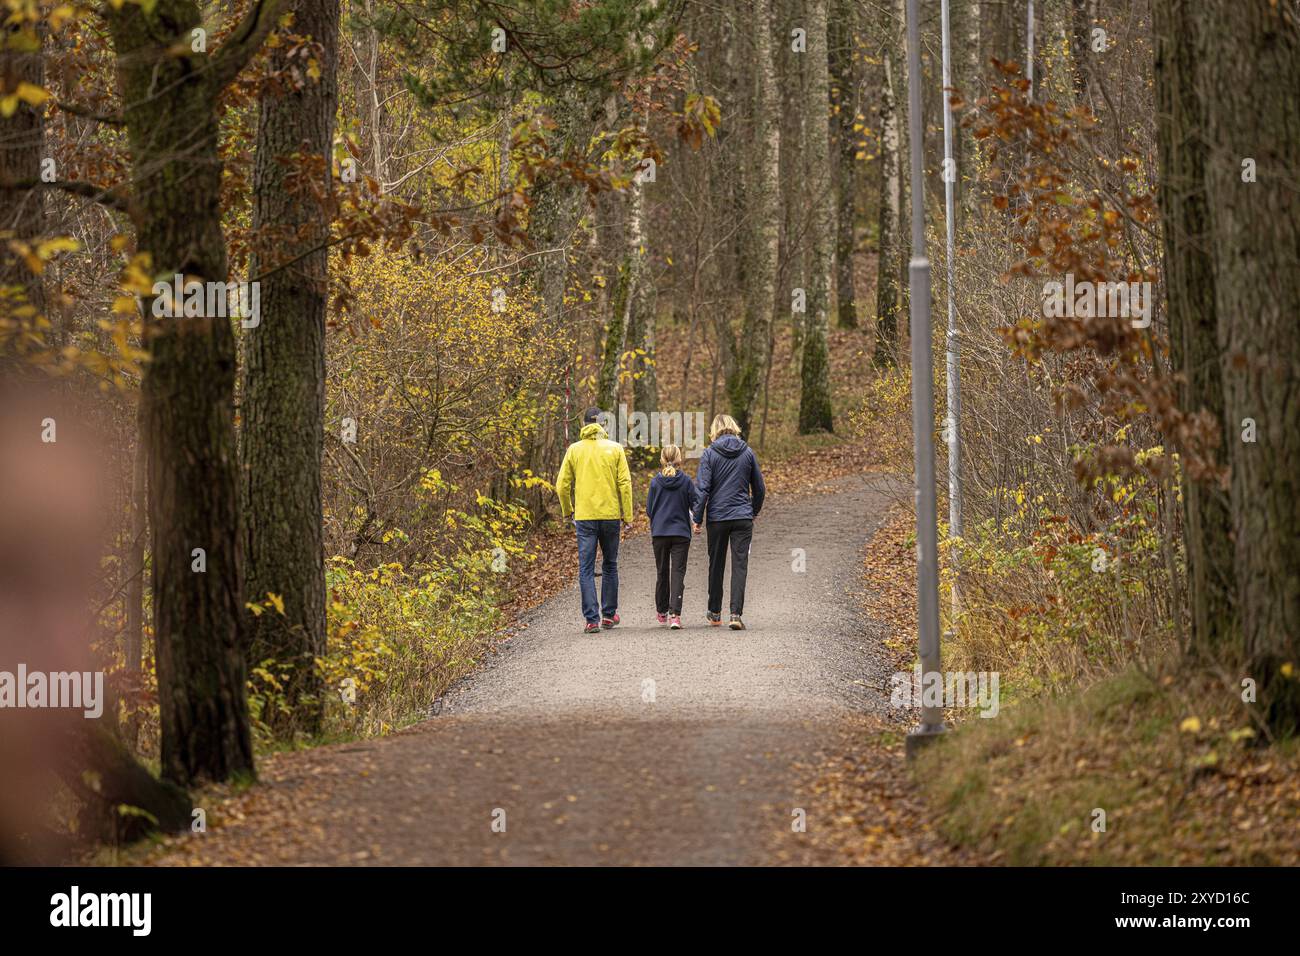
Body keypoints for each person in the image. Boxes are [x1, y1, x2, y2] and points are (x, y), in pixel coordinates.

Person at [556, 407, 633, 633]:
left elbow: (562, 485)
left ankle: (591, 619)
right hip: (610, 516)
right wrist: (626, 515)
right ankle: (609, 615)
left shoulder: (574, 450)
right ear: (603, 425)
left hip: (585, 517)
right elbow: (625, 485)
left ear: (584, 424)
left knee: (586, 569)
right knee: (610, 564)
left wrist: (567, 511)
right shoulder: (615, 449)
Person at [691, 414, 766, 630]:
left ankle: (715, 612)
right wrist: (752, 511)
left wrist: (697, 517)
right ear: (735, 428)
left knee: (716, 564)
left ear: (715, 430)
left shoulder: (709, 453)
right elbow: (759, 488)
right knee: (740, 565)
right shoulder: (747, 452)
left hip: (717, 518)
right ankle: (735, 614)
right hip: (742, 517)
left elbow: (703, 488)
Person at [645, 444, 701, 630]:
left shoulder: (655, 482)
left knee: (662, 572)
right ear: (679, 459)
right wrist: (696, 521)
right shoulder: (685, 481)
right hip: (680, 533)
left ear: (662, 459)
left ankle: (661, 611)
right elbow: (696, 503)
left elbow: (649, 510)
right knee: (677, 572)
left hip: (660, 532)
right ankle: (675, 616)